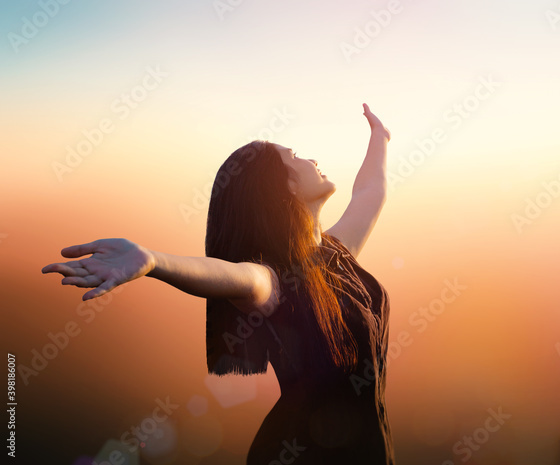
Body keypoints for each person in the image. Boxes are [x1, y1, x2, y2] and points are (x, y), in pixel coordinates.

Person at [41, 104, 395, 464]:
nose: (311, 159)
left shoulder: (338, 254)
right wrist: (153, 261)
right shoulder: (274, 279)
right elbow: (233, 276)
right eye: (295, 156)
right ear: (284, 187)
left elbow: (371, 192)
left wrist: (380, 138)